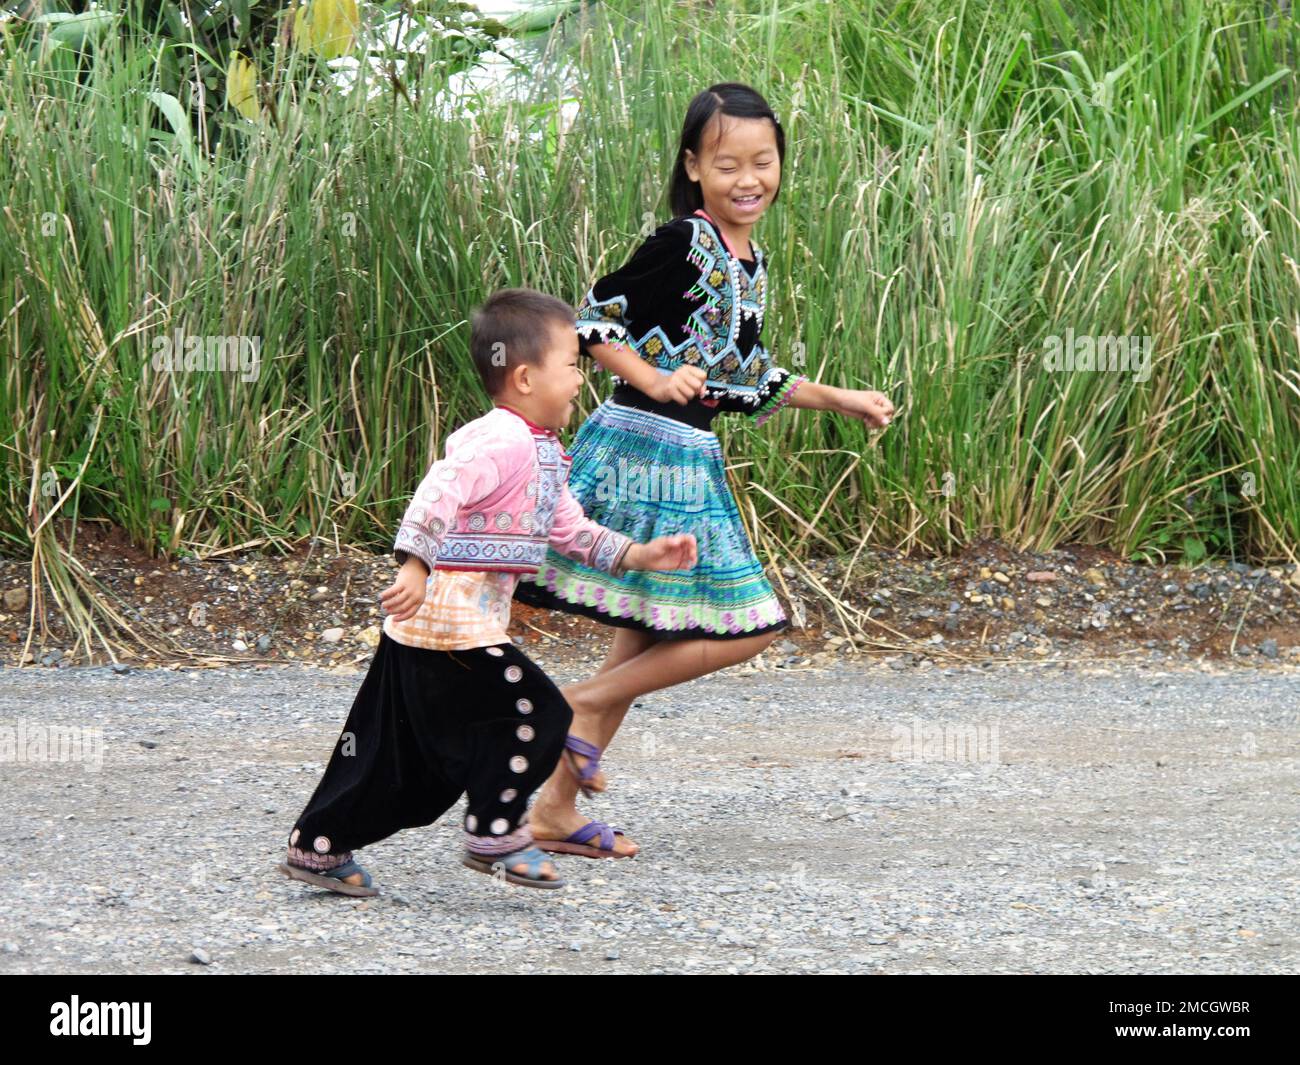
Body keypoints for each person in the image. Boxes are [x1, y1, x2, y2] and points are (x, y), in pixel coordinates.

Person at [514, 83, 895, 860]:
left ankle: (554, 809)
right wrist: (652, 377)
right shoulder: (684, 243)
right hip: (643, 448)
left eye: (763, 161)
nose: (747, 179)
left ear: (781, 164)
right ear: (694, 167)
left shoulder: (749, 261)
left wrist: (843, 399)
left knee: (640, 631)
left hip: (689, 452)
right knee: (750, 622)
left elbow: (745, 379)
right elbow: (592, 320)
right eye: (727, 164)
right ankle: (573, 704)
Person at [277, 288, 697, 894]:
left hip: (443, 629)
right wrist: (415, 563)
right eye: (574, 366)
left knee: (403, 756)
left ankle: (317, 846)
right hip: (446, 619)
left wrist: (640, 554)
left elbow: (570, 531)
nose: (582, 381)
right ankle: (495, 831)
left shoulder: (545, 451)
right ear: (526, 377)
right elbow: (438, 491)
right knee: (539, 709)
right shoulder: (496, 438)